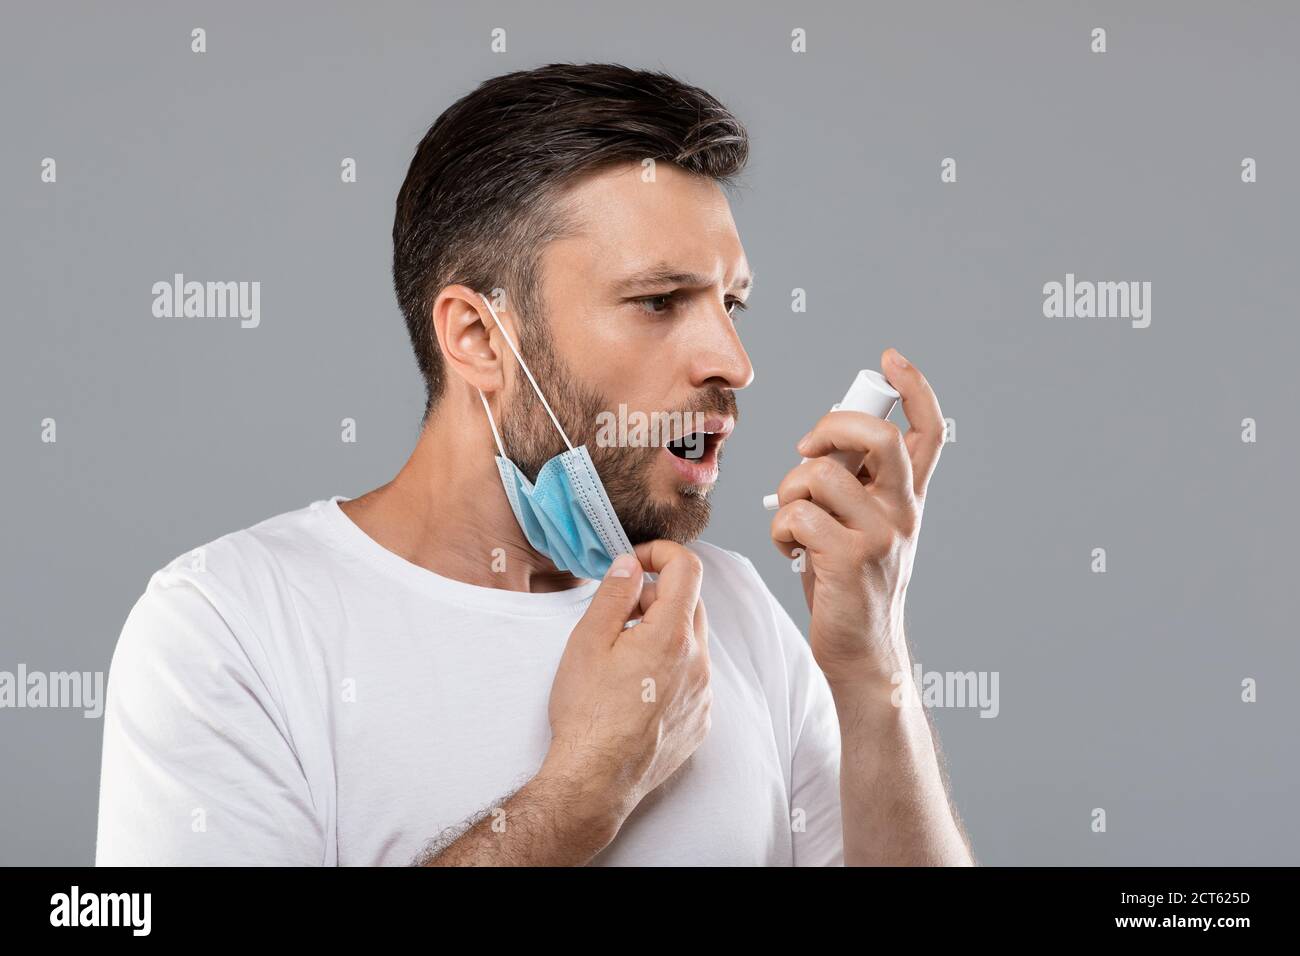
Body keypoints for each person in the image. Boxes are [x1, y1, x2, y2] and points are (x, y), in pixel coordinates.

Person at [95, 62, 973, 866]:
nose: (733, 363)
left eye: (731, 303)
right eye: (660, 301)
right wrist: (583, 790)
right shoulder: (230, 631)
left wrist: (872, 673)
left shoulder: (736, 612)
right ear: (477, 337)